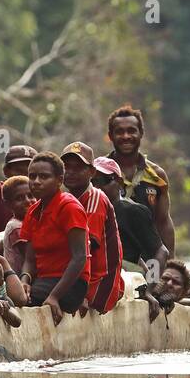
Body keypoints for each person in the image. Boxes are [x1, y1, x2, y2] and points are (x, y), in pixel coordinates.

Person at [18, 152, 89, 323]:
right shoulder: (33, 211)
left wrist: (54, 296)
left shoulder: (69, 207)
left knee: (21, 302)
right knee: (14, 293)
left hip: (71, 283)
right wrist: (24, 280)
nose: (36, 181)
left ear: (59, 180)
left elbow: (80, 257)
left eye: (44, 177)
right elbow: (29, 259)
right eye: (32, 176)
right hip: (43, 281)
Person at [62, 142, 124, 314]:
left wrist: (81, 295)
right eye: (66, 167)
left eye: (78, 168)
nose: (70, 172)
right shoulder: (65, 199)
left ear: (91, 172)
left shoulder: (94, 198)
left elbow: (86, 249)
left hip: (97, 286)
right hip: (78, 277)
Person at [106, 104, 175, 253]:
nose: (126, 136)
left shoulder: (157, 175)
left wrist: (171, 265)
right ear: (110, 136)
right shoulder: (100, 174)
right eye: (119, 132)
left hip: (151, 260)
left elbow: (163, 222)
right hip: (112, 259)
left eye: (131, 131)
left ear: (141, 133)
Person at [92, 156, 167, 273]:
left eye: (104, 181)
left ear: (119, 182)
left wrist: (151, 286)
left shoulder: (134, 211)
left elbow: (160, 252)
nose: (97, 187)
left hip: (128, 282)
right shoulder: (84, 210)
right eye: (92, 182)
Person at [0, 174, 34, 275]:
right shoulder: (16, 227)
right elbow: (33, 258)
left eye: (30, 195)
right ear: (8, 204)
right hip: (20, 282)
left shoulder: (30, 223)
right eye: (19, 198)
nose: (28, 201)